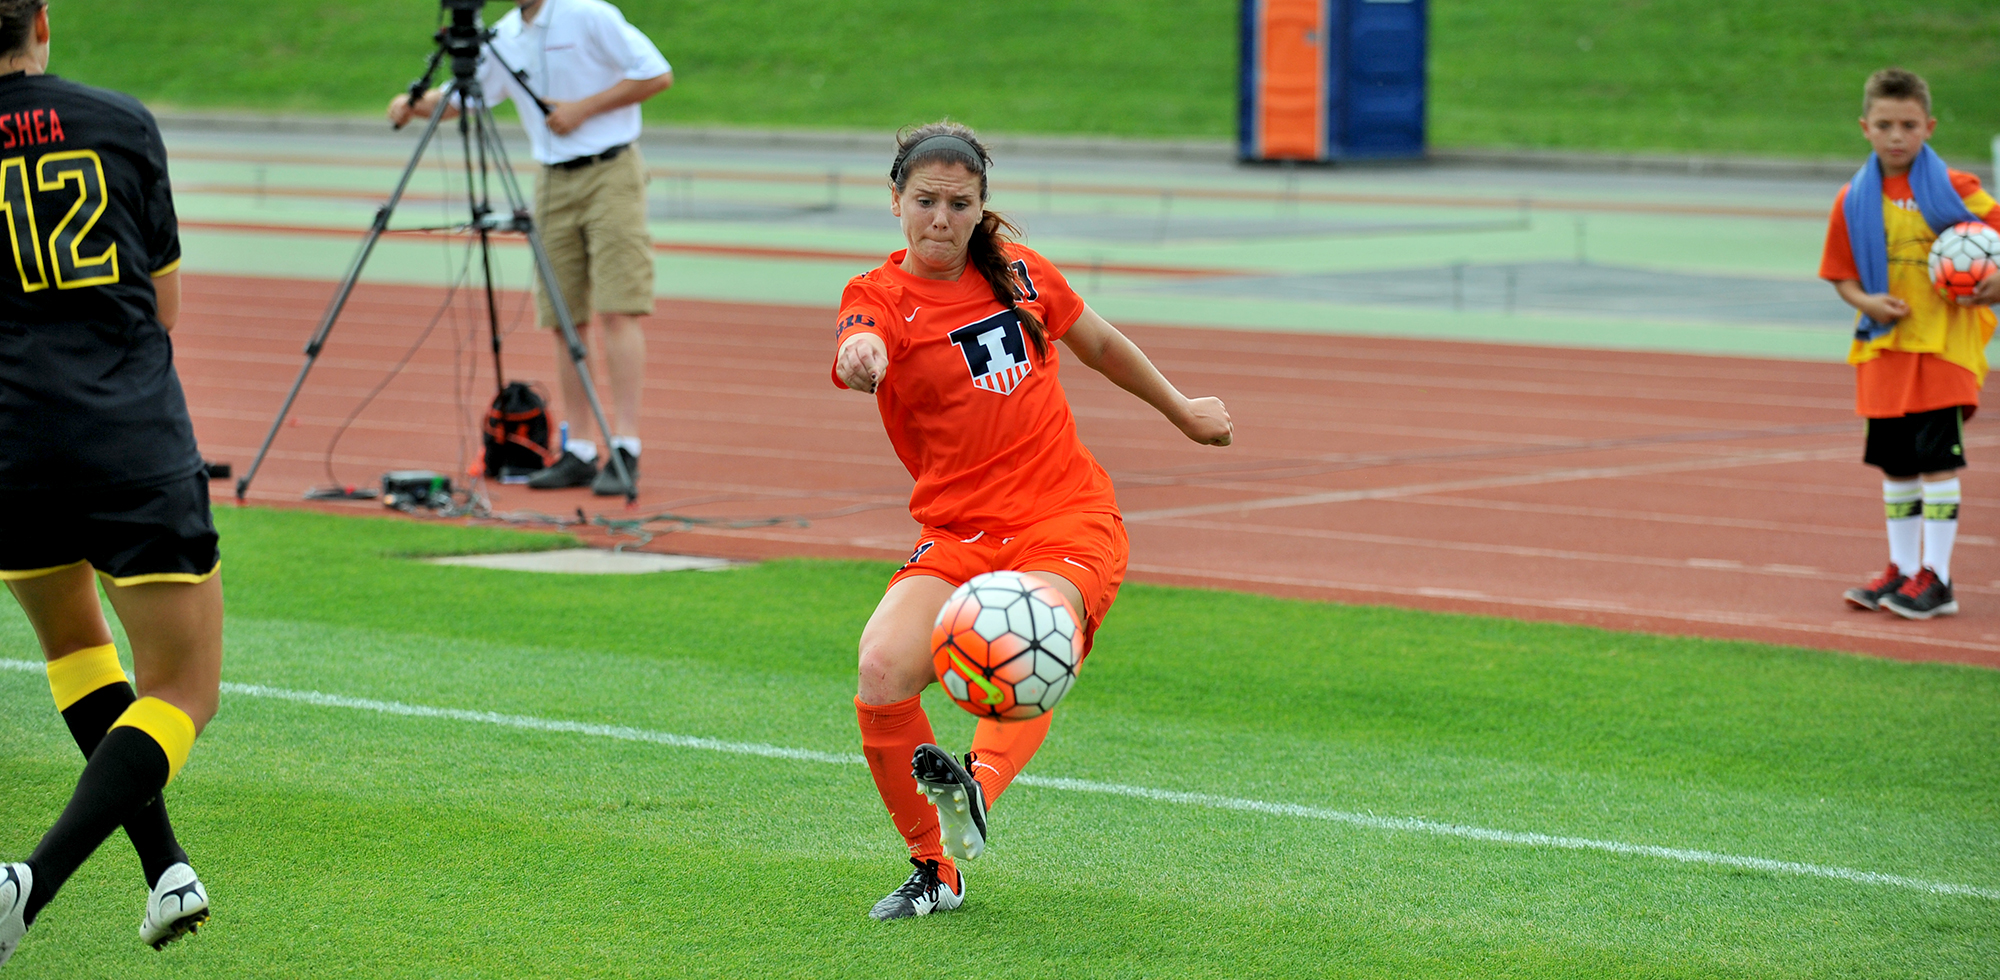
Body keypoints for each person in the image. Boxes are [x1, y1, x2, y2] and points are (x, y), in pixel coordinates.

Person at [833, 122, 1233, 920]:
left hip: (1067, 520)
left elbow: (1101, 343)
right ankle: (936, 867)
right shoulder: (876, 297)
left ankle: (973, 789)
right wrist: (861, 360)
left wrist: (1182, 410)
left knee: (1031, 633)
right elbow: (857, 344)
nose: (940, 218)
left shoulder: (1020, 273)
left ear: (982, 209)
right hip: (959, 535)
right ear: (894, 203)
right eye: (925, 201)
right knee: (880, 668)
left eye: (960, 203)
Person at [0, 0, 222, 966]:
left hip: (7, 439)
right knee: (183, 686)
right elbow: (164, 304)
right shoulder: (119, 121)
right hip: (126, 433)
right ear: (40, 21)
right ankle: (27, 888)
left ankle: (167, 867)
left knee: (76, 645)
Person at [390, 0, 671, 496]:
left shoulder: (589, 13)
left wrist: (583, 109)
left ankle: (625, 445)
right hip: (550, 181)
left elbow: (655, 74)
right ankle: (580, 449)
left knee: (619, 310)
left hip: (611, 172)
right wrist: (417, 103)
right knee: (566, 319)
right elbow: (470, 98)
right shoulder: (504, 34)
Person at [1823, 68, 2000, 621]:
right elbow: (1841, 274)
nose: (1896, 135)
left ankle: (1939, 579)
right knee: (1896, 468)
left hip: (1942, 350)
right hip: (1884, 351)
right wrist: (1867, 304)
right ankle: (1901, 569)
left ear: (1929, 126)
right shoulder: (1853, 198)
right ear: (1864, 128)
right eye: (1884, 124)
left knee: (1936, 465)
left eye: (1908, 124)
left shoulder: (1960, 190)